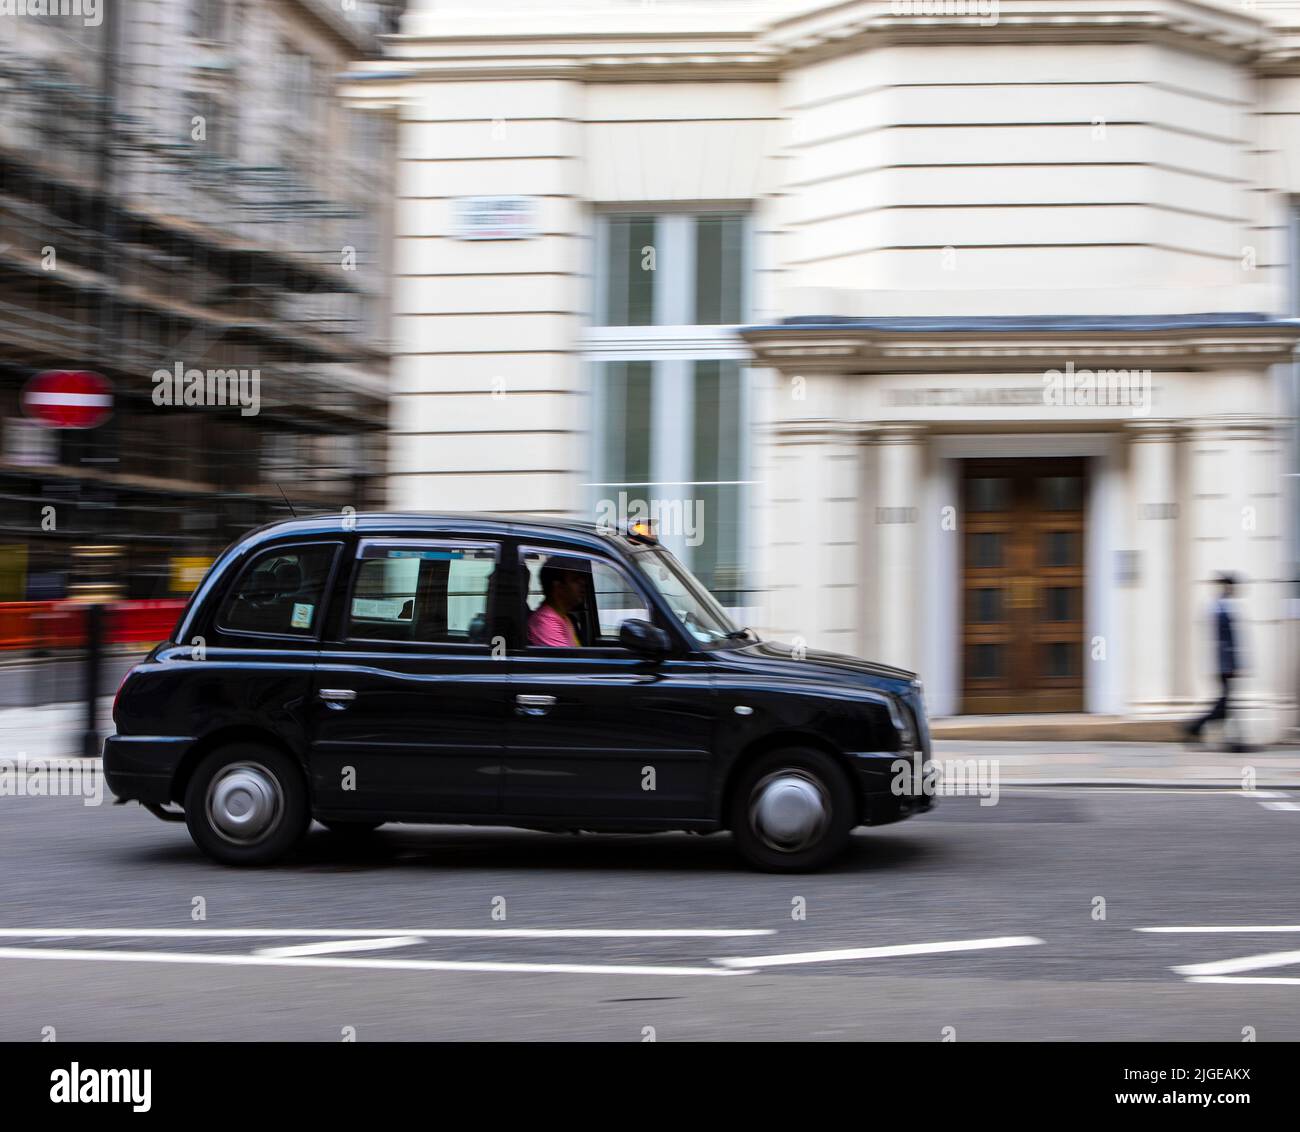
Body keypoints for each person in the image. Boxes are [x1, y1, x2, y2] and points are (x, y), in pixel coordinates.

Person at [1185, 572, 1244, 750]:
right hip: (1224, 664)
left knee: (1226, 702)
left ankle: (1226, 738)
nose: (1232, 590)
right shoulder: (1219, 608)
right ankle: (1194, 727)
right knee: (1224, 703)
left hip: (1225, 663)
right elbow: (1224, 642)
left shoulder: (1223, 607)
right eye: (1230, 586)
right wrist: (1231, 665)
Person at [527, 559, 586, 647]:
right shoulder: (546, 622)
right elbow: (568, 660)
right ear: (558, 587)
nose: (582, 583)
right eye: (575, 579)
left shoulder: (564, 617)